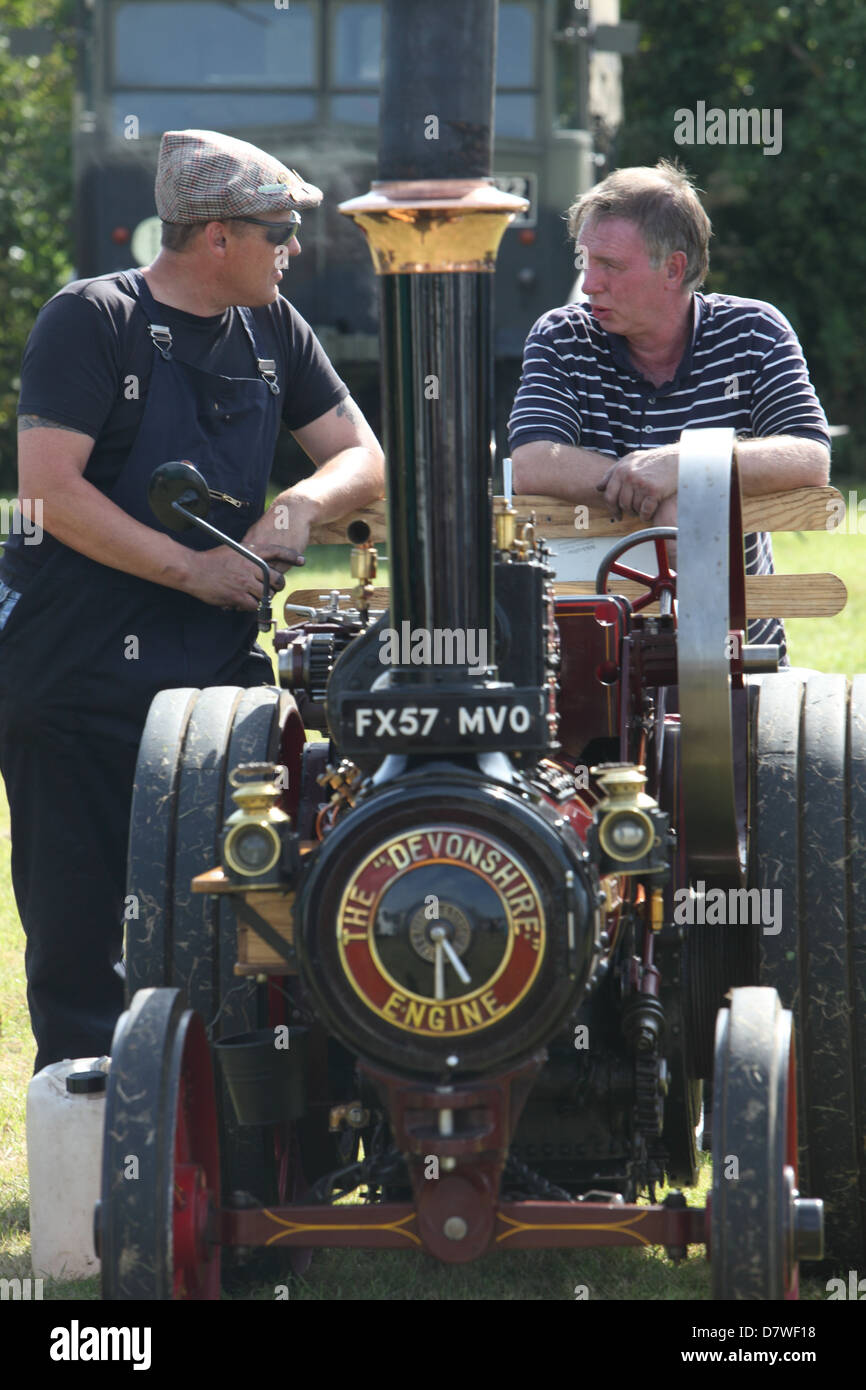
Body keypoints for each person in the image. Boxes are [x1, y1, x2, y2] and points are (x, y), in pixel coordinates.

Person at [0, 129, 385, 1072]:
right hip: (75, 673)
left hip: (215, 688)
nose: (293, 248)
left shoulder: (275, 327)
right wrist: (194, 570)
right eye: (280, 229)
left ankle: (220, 1151)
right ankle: (95, 1144)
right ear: (217, 236)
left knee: (231, 910)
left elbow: (363, 455)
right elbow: (47, 492)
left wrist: (297, 507)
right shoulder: (90, 320)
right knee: (81, 929)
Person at [508, 160, 831, 658]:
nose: (590, 283)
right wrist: (649, 489)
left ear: (674, 268)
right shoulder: (560, 335)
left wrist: (682, 465)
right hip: (596, 665)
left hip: (740, 659)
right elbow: (532, 461)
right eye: (585, 261)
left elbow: (810, 457)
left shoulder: (756, 332)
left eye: (610, 266)